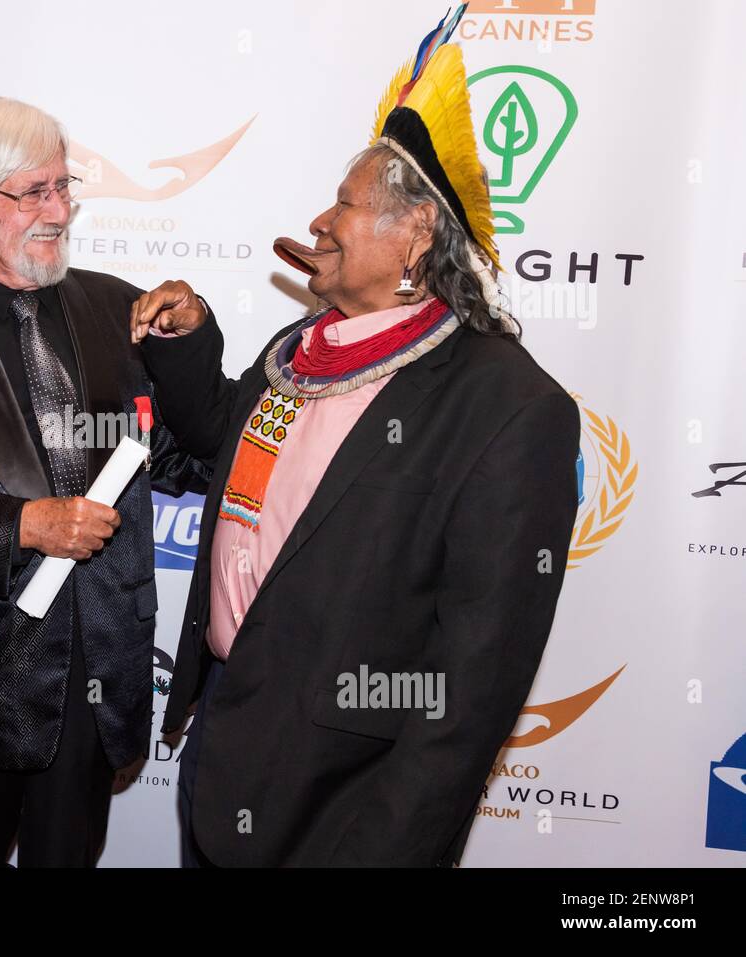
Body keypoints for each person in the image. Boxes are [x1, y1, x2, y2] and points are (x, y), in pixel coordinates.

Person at [131, 6, 581, 867]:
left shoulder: (510, 407)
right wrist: (188, 341)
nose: (323, 223)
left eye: (345, 204)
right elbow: (224, 444)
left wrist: (392, 842)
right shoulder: (298, 350)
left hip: (349, 797)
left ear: (414, 235)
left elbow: (476, 680)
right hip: (228, 740)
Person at [0, 96, 208, 867]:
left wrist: (193, 348)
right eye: (34, 192)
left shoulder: (115, 308)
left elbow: (188, 454)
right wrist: (20, 526)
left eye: (64, 187)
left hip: (93, 685)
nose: (59, 210)